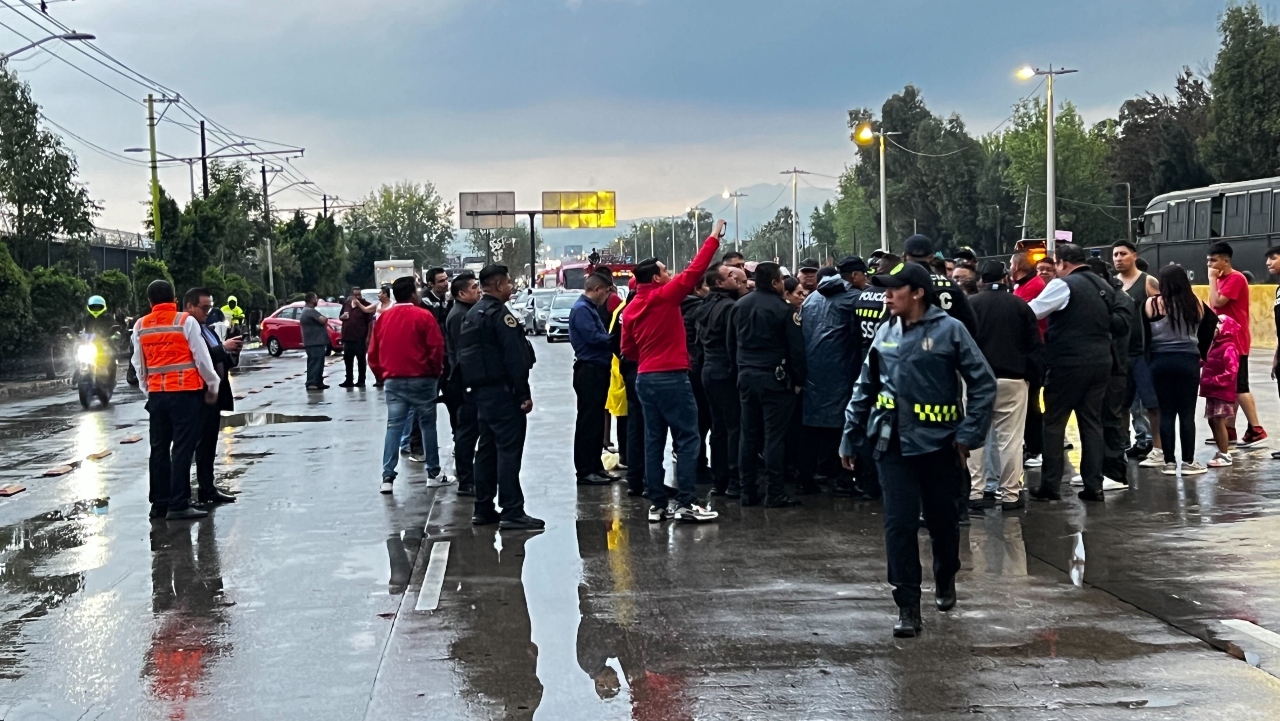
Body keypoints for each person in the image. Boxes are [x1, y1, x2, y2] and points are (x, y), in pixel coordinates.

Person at [840, 261, 995, 637]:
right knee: (899, 525)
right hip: (891, 446)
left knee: (943, 523)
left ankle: (945, 576)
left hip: (940, 447)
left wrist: (967, 435)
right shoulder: (885, 332)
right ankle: (907, 605)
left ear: (918, 292)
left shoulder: (951, 330)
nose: (887, 295)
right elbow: (865, 386)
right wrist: (850, 432)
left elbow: (983, 383)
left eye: (894, 289)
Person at [621, 222, 724, 524]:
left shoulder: (631, 309)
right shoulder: (664, 296)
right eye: (665, 271)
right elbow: (695, 271)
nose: (669, 274)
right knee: (688, 439)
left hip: (645, 378)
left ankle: (657, 505)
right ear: (655, 277)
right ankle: (686, 502)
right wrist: (713, 239)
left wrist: (649, 358)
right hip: (672, 376)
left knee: (653, 440)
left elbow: (628, 349)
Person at [1029, 244, 1132, 502]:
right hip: (1101, 362)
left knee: (1053, 422)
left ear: (1063, 263)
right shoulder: (1104, 286)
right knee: (1091, 423)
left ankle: (1050, 486)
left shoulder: (1064, 285)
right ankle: (1093, 485)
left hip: (1068, 363)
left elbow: (1034, 311)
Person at [458, 264, 543, 530]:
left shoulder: (472, 314)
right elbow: (514, 358)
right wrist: (523, 394)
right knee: (508, 451)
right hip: (503, 393)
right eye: (507, 283)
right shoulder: (500, 316)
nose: (510, 287)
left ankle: (483, 507)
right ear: (496, 286)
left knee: (486, 450)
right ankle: (512, 510)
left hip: (481, 393)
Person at [132, 280, 221, 521]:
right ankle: (178, 503)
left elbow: (139, 364)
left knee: (158, 449)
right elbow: (202, 359)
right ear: (173, 299)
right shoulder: (185, 321)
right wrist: (212, 384)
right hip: (185, 396)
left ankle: (159, 504)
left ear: (150, 302)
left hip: (157, 397)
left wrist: (148, 391)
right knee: (182, 448)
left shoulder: (141, 325)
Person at [728, 261, 807, 507]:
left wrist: (739, 369)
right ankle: (775, 492)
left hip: (746, 376)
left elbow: (731, 345)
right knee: (774, 437)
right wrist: (799, 380)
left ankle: (747, 491)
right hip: (775, 378)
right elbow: (796, 350)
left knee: (748, 435)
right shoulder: (784, 310)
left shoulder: (739, 306)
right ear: (774, 282)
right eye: (781, 281)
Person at [966, 262, 1040, 512]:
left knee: (976, 438)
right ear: (1006, 278)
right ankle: (1010, 494)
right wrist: (1030, 377)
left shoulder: (971, 305)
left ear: (980, 280)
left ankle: (976, 492)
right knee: (1010, 440)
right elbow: (1034, 345)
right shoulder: (1020, 305)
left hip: (976, 381)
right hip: (1012, 379)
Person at [368, 277, 446, 494]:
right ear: (413, 293)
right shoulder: (424, 316)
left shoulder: (384, 318)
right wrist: (435, 371)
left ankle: (387, 477)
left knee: (394, 426)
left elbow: (373, 352)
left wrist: (381, 374)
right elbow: (436, 347)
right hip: (423, 378)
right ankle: (433, 473)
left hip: (394, 379)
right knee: (427, 425)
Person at [797, 256, 864, 497]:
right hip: (841, 370)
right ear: (854, 276)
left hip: (812, 372)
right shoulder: (854, 299)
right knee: (842, 425)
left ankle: (808, 476)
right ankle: (841, 477)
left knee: (811, 428)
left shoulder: (812, 298)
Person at [1143, 265, 1213, 475]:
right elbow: (1209, 327)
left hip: (1160, 362)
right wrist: (1202, 353)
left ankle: (1169, 462)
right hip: (1187, 361)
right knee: (1186, 414)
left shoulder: (1152, 304)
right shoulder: (1196, 304)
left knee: (1166, 413)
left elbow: (1142, 332)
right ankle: (1189, 462)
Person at [184, 288, 241, 507]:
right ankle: (185, 493)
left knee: (209, 445)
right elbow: (200, 358)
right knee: (193, 446)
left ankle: (208, 488)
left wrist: (232, 352)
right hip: (198, 395)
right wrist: (222, 348)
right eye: (204, 307)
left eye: (210, 306)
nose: (208, 312)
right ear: (190, 306)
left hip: (214, 395)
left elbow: (219, 359)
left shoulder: (208, 330)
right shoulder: (188, 330)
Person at [1208, 242, 1267, 447]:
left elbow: (1217, 303)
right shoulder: (1220, 279)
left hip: (1236, 341)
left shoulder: (1235, 278)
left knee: (1241, 386)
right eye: (1208, 260)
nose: (1210, 264)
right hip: (1223, 341)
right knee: (1231, 387)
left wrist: (1212, 279)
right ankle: (1229, 430)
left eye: (1214, 260)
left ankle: (1256, 428)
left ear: (1226, 261)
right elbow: (1212, 305)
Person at [698, 263, 748, 497]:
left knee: (718, 427)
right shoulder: (730, 307)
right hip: (725, 371)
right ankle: (735, 480)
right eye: (730, 276)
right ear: (719, 283)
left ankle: (720, 480)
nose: (737, 280)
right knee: (734, 427)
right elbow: (733, 343)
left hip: (708, 370)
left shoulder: (707, 304)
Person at [1112, 241, 1162, 465]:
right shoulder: (1112, 284)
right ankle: (1124, 444)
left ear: (1134, 255)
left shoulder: (1148, 282)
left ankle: (1155, 445)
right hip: (1120, 354)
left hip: (1143, 352)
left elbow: (1162, 316)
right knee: (1121, 404)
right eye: (1115, 255)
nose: (1118, 258)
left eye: (1123, 254)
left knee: (1150, 403)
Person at [570, 274, 617, 486]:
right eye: (606, 291)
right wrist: (616, 337)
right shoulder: (582, 310)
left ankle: (596, 465)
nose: (607, 296)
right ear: (597, 289)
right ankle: (585, 469)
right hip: (589, 369)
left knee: (597, 421)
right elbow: (595, 338)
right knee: (588, 422)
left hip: (598, 368)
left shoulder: (590, 309)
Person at [445, 274, 482, 497]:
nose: (478, 290)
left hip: (468, 381)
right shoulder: (460, 315)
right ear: (461, 294)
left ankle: (471, 476)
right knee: (466, 432)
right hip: (465, 383)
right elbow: (465, 352)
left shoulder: (464, 311)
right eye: (474, 287)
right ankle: (466, 479)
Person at [1010, 252, 1046, 469]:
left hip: (1033, 350)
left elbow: (1019, 314)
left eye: (1011, 265)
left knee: (1031, 404)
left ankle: (1037, 447)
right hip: (1025, 349)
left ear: (1018, 266)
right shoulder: (1023, 285)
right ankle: (1032, 445)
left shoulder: (1033, 285)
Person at [902, 235, 976, 337]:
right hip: (946, 346)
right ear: (931, 257)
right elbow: (971, 323)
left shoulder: (900, 286)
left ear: (904, 256)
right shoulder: (951, 285)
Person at [681, 273, 713, 484]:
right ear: (698, 289)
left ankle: (695, 463)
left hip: (686, 367)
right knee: (703, 420)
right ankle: (700, 467)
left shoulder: (679, 308)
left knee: (693, 421)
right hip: (699, 367)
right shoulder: (699, 310)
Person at [1203, 315, 1243, 469]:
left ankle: (1225, 454)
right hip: (1211, 391)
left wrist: (1214, 381)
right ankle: (1221, 451)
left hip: (1221, 392)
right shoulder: (1213, 345)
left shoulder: (1229, 348)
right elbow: (1205, 360)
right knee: (1212, 420)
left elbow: (1231, 371)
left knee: (1219, 421)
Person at [339, 287, 375, 387]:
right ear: (352, 295)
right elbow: (341, 316)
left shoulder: (366, 305)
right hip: (348, 337)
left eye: (359, 295)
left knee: (361, 359)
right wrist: (343, 317)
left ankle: (361, 380)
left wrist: (368, 337)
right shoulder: (347, 304)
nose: (358, 297)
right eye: (356, 295)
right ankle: (349, 380)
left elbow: (370, 322)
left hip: (360, 337)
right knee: (348, 359)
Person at [299, 293, 330, 391]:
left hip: (316, 341)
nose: (317, 300)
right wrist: (325, 317)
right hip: (314, 342)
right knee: (315, 362)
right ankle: (312, 382)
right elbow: (323, 320)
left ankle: (318, 382)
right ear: (312, 299)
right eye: (316, 298)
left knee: (319, 362)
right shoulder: (310, 311)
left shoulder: (307, 311)